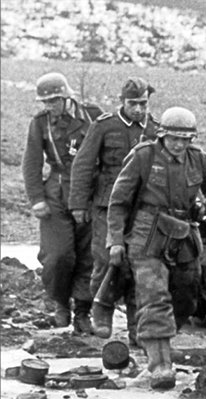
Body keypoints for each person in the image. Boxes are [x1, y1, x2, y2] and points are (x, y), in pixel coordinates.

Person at [106, 107, 206, 389]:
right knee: (154, 296)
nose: (179, 144)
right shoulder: (144, 156)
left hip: (183, 235)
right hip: (148, 233)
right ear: (162, 135)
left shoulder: (198, 160)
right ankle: (159, 365)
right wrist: (115, 240)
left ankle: (162, 345)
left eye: (185, 139)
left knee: (187, 295)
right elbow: (119, 200)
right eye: (173, 138)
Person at [69, 77, 159, 342]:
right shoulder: (105, 126)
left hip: (141, 209)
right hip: (106, 206)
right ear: (123, 101)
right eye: (133, 103)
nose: (139, 109)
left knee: (138, 266)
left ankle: (136, 328)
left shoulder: (155, 129)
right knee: (105, 260)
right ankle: (97, 312)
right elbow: (84, 164)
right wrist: (78, 204)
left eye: (143, 103)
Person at [22, 72, 103, 334]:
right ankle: (60, 302)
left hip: (90, 193)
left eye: (54, 100)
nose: (49, 106)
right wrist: (37, 199)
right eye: (45, 102)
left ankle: (82, 310)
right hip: (56, 194)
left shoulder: (92, 116)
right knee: (57, 256)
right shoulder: (40, 123)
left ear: (66, 97)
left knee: (88, 256)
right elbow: (31, 163)